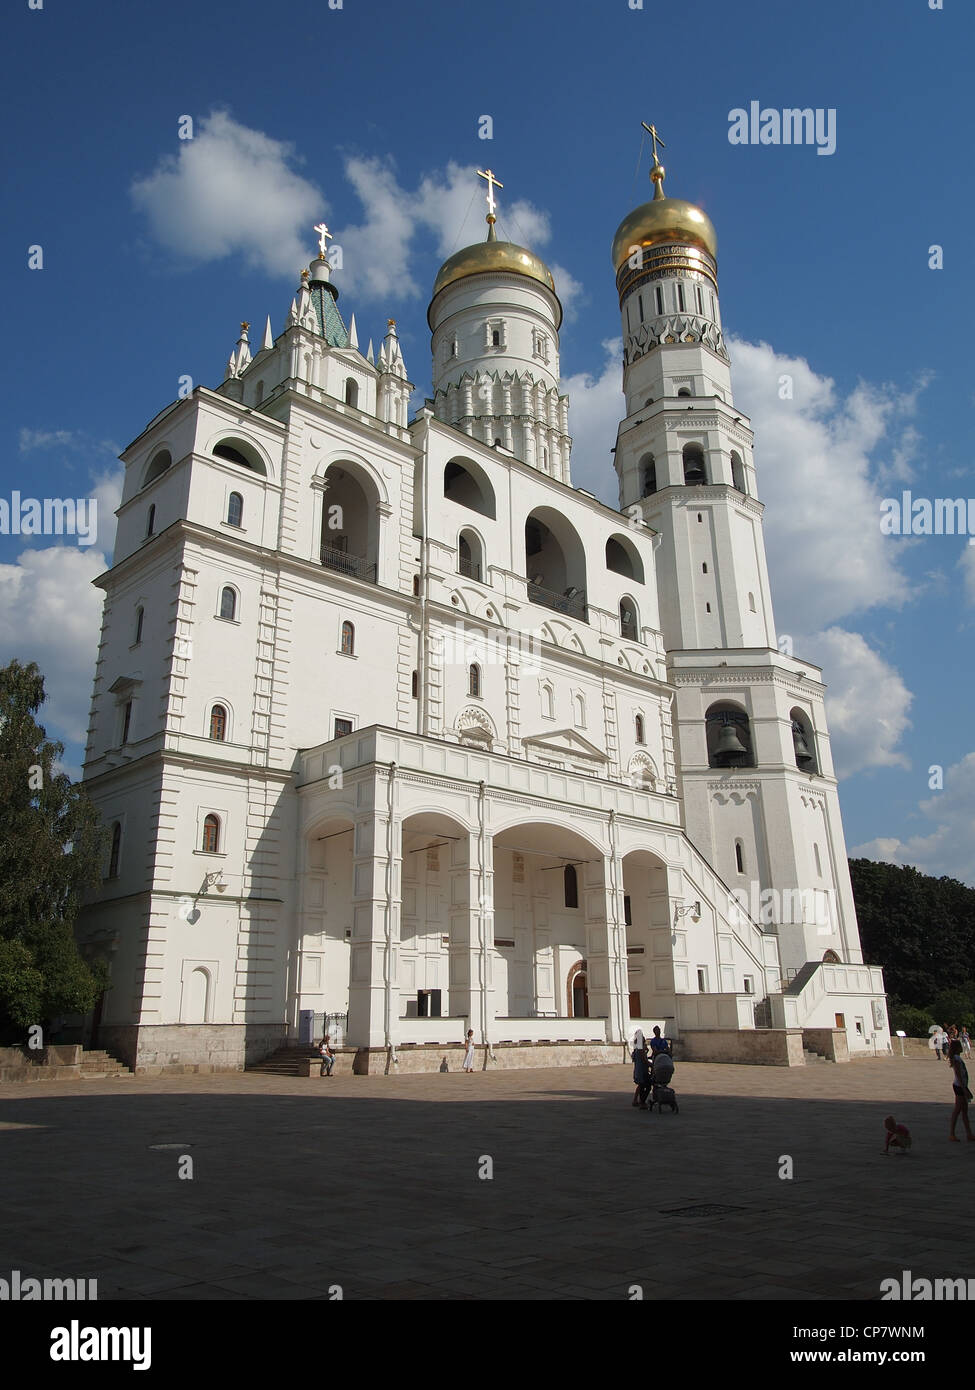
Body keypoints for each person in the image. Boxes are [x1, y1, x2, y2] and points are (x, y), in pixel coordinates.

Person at [948, 1038, 974, 1142]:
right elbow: (959, 1074)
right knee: (958, 1110)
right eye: (960, 1046)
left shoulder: (957, 1058)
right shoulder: (956, 1059)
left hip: (960, 1085)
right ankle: (952, 1133)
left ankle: (969, 1133)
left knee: (964, 1111)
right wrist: (964, 1089)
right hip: (959, 1086)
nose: (962, 1047)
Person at [631, 1037, 650, 1108]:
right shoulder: (640, 1049)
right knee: (645, 1086)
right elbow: (645, 1060)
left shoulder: (636, 1049)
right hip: (642, 1070)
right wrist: (651, 1065)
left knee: (640, 1085)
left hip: (638, 1069)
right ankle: (642, 1102)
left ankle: (635, 1100)